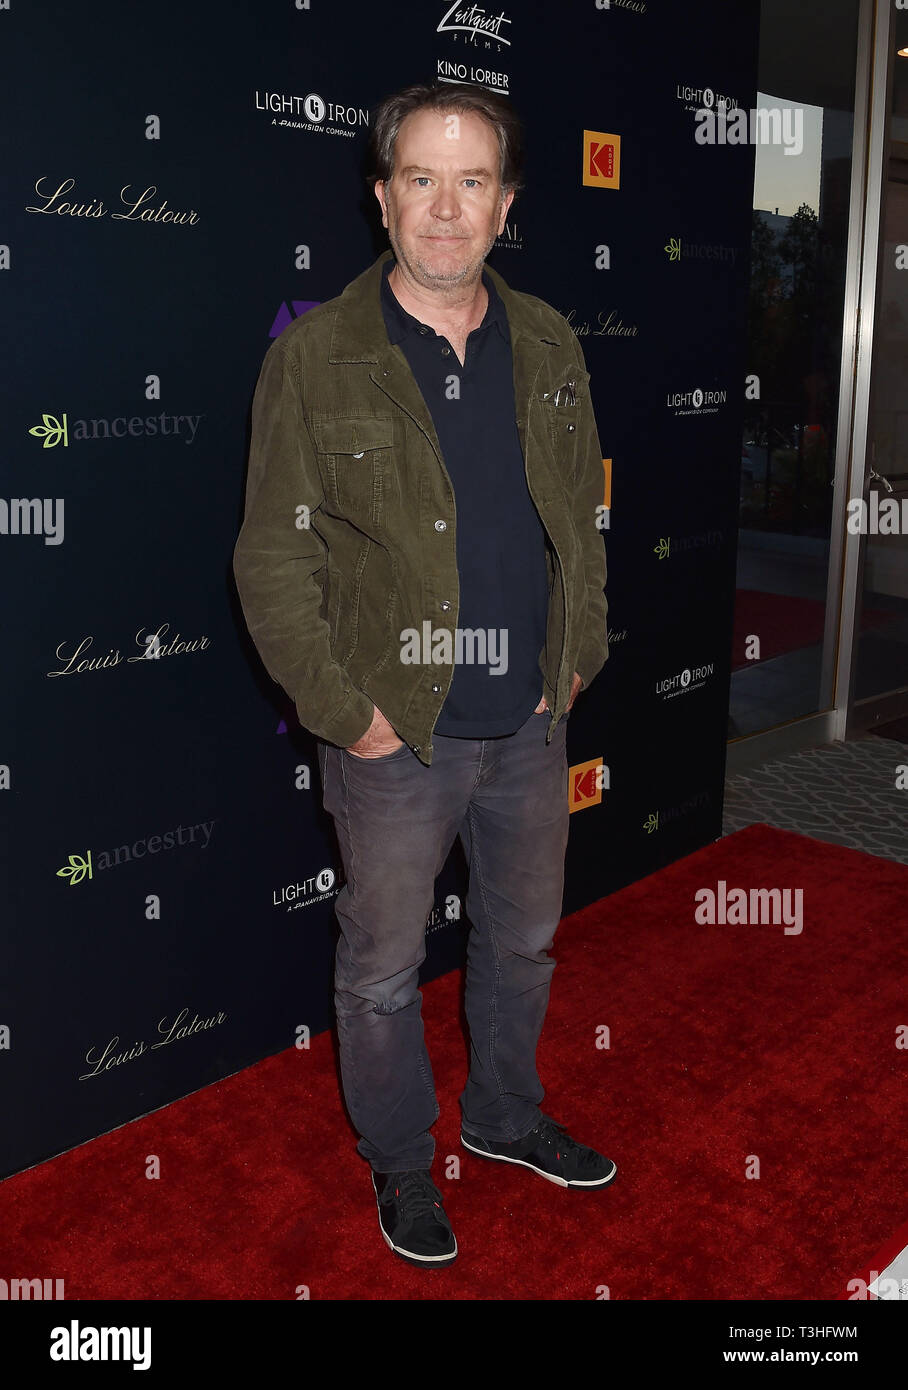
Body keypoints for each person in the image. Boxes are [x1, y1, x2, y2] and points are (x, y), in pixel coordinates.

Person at [233, 81, 616, 1270]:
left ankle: (502, 1118)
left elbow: (578, 522)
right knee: (383, 969)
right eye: (419, 179)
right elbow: (273, 559)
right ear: (381, 196)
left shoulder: (547, 338)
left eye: (470, 182)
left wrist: (575, 657)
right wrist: (350, 716)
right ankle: (404, 1162)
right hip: (397, 737)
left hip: (530, 724)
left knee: (523, 944)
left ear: (505, 203)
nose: (444, 208)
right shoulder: (319, 356)